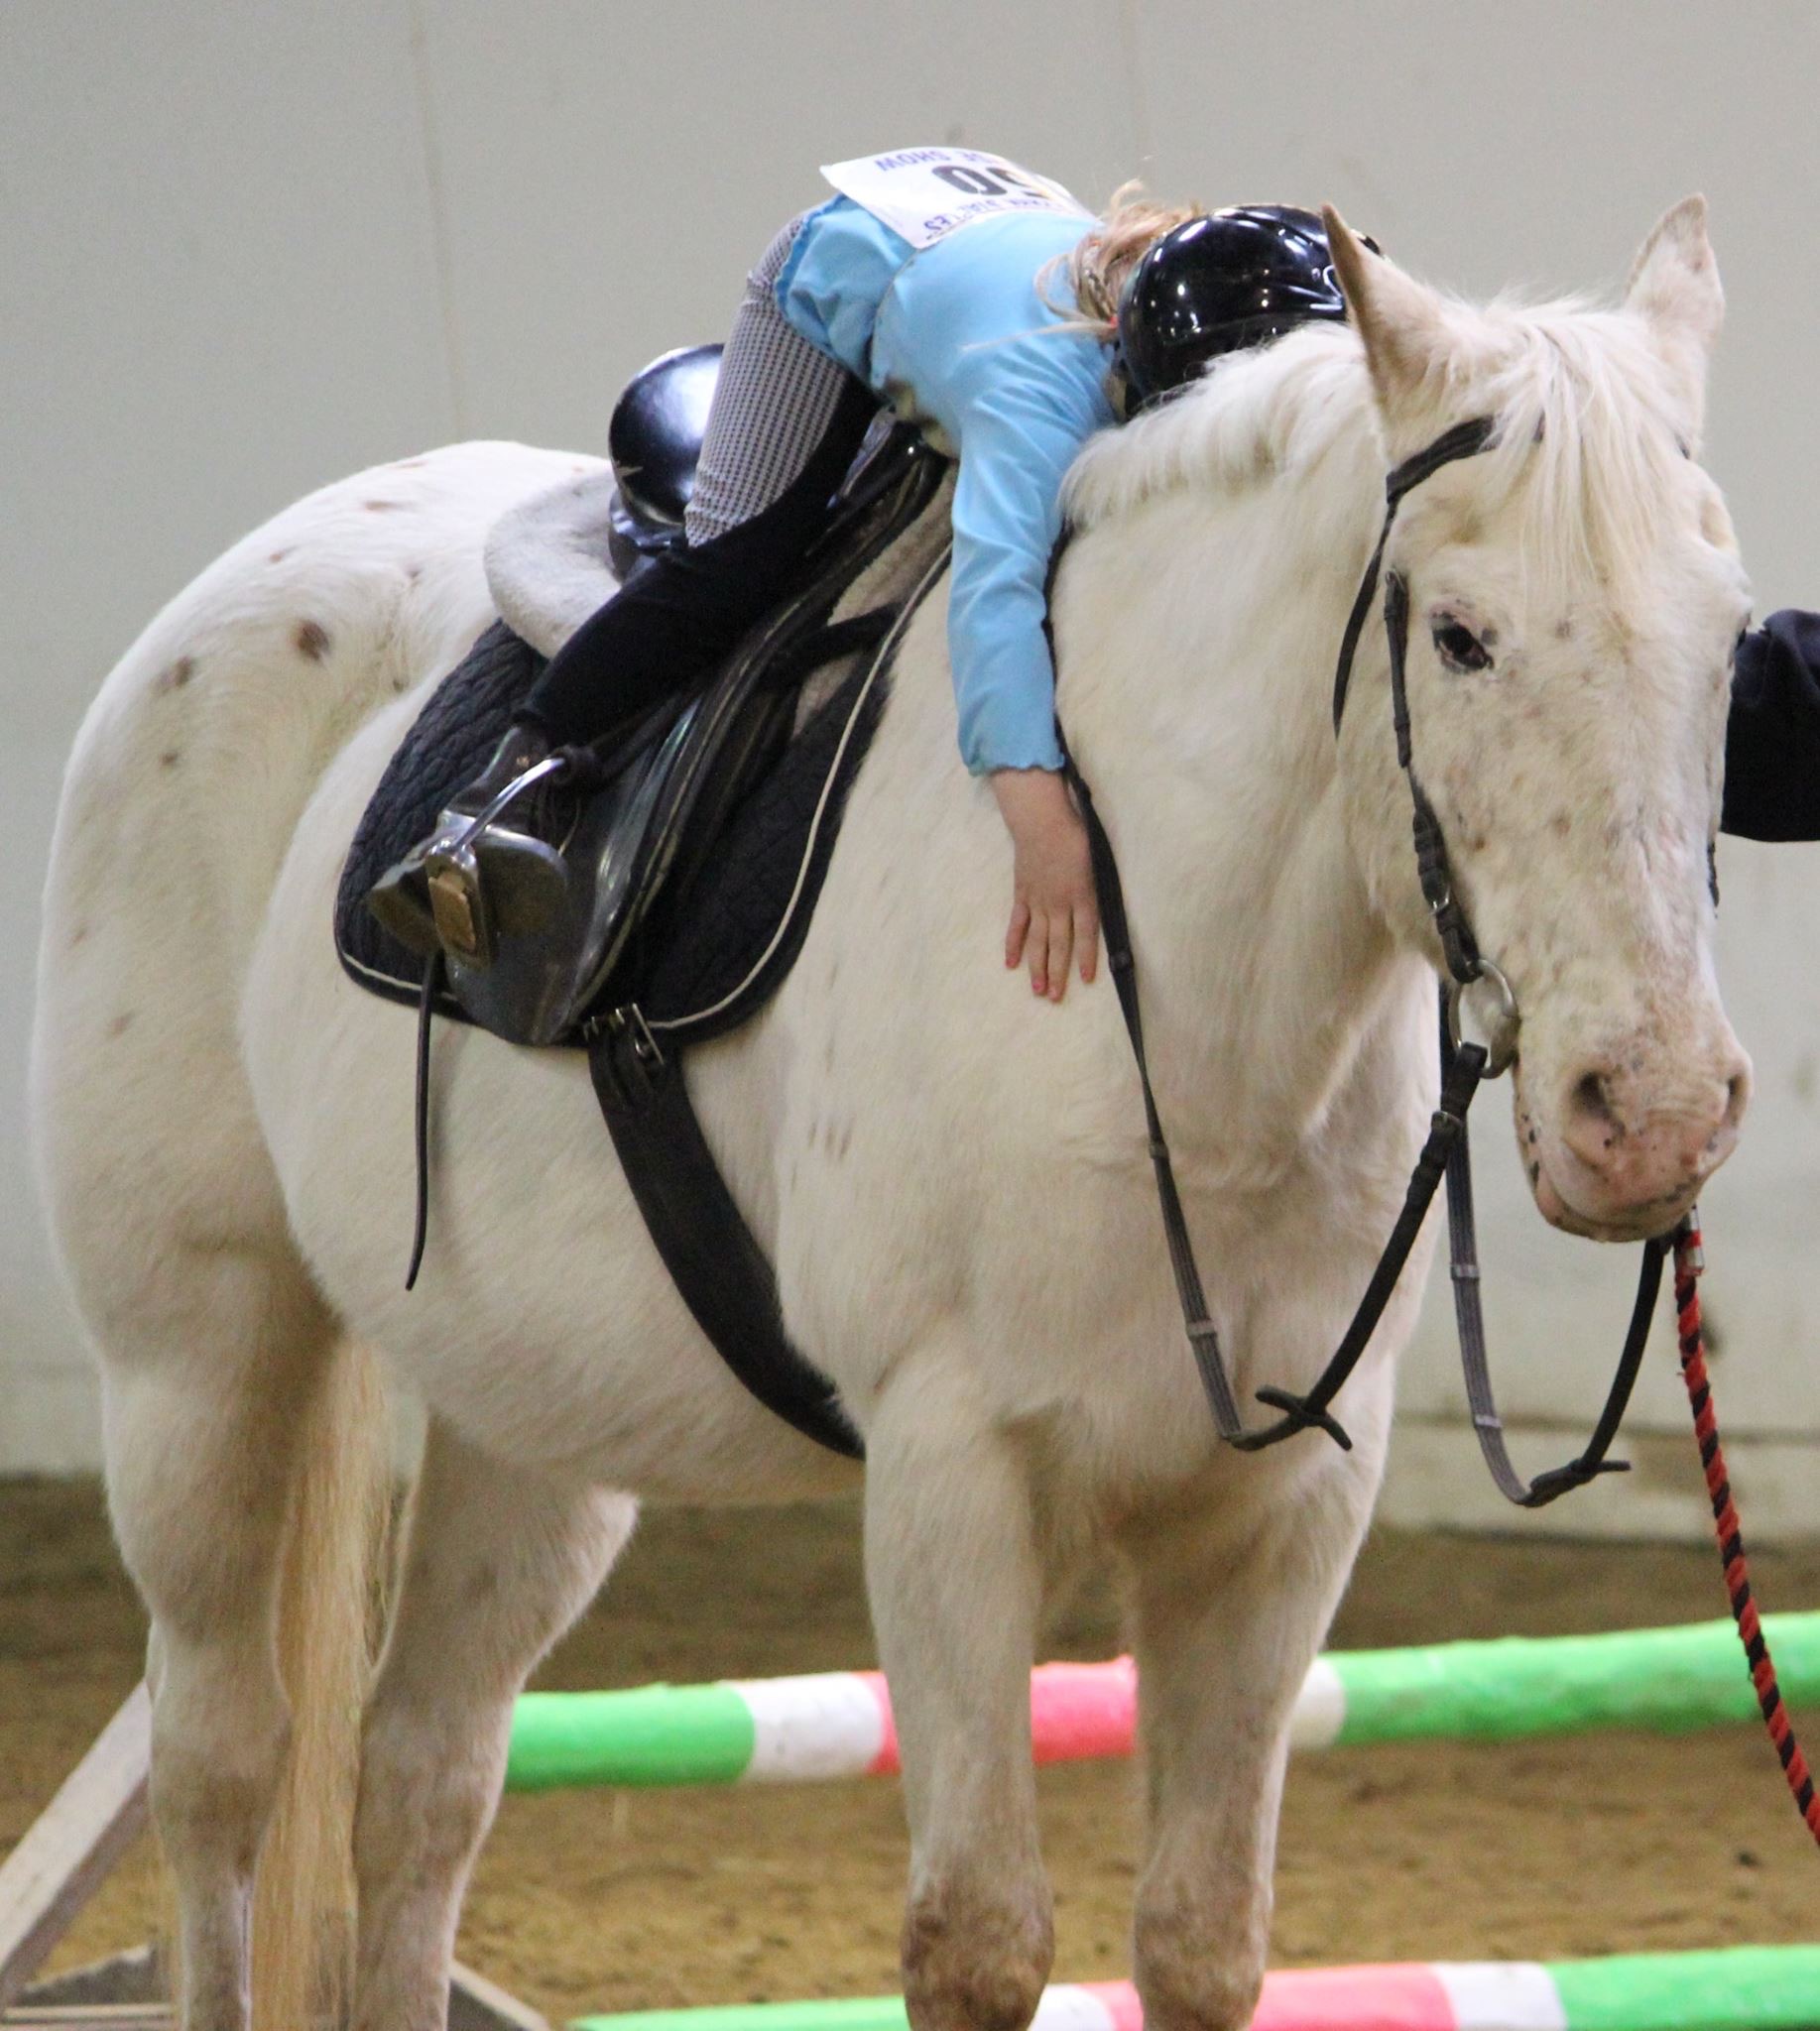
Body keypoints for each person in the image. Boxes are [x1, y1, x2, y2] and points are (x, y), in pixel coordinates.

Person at [375, 152, 1353, 998]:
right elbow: (990, 599)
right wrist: (1038, 816)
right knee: (732, 569)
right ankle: (510, 779)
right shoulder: (1037, 400)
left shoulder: (1209, 297)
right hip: (829, 267)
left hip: (969, 226)